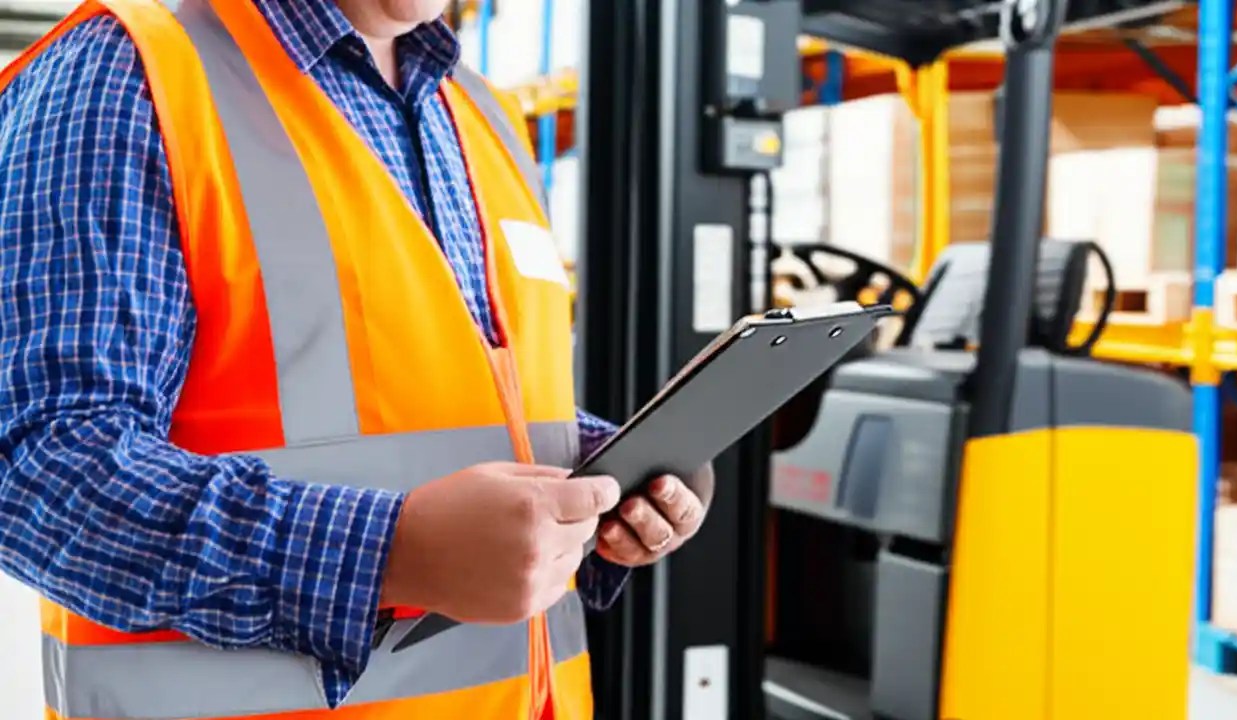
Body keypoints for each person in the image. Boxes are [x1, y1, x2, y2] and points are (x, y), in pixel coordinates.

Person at [0, 0, 713, 718]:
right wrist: (390, 554)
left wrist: (612, 466)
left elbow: (452, 395)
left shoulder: (477, 110)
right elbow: (35, 467)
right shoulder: (126, 73)